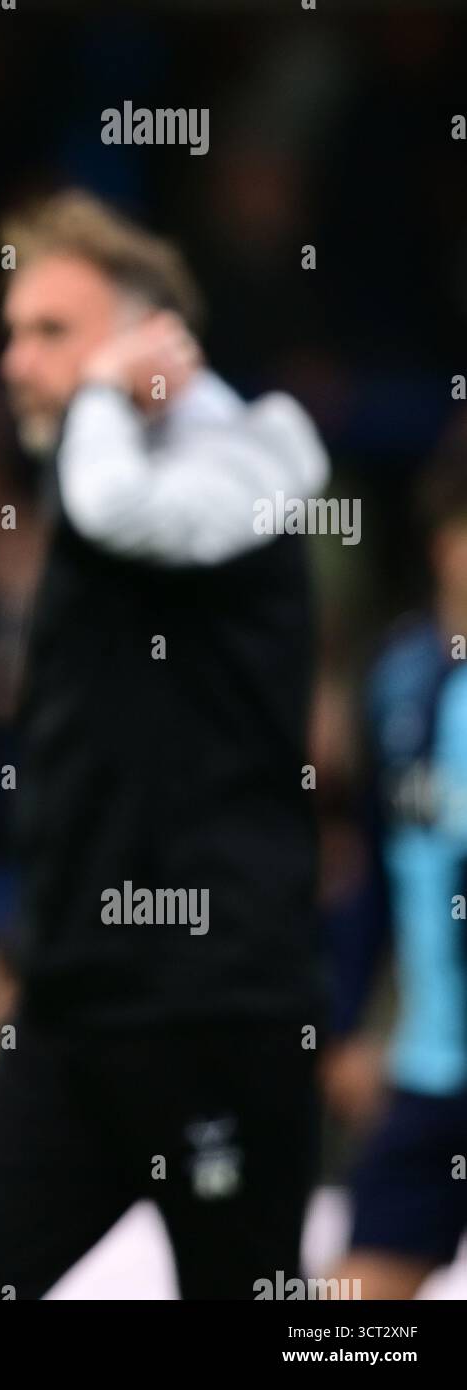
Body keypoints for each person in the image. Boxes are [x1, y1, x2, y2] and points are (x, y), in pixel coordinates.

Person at [0, 190, 329, 1300]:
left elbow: (124, 511)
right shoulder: (98, 482)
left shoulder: (242, 470)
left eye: (54, 332)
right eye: (10, 331)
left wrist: (110, 391)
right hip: (72, 1015)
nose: (17, 361)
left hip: (218, 1009)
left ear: (149, 341)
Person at [324, 438, 467, 1298]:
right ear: (444, 538)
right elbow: (377, 874)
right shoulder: (403, 684)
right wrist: (343, 1026)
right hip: (430, 1072)